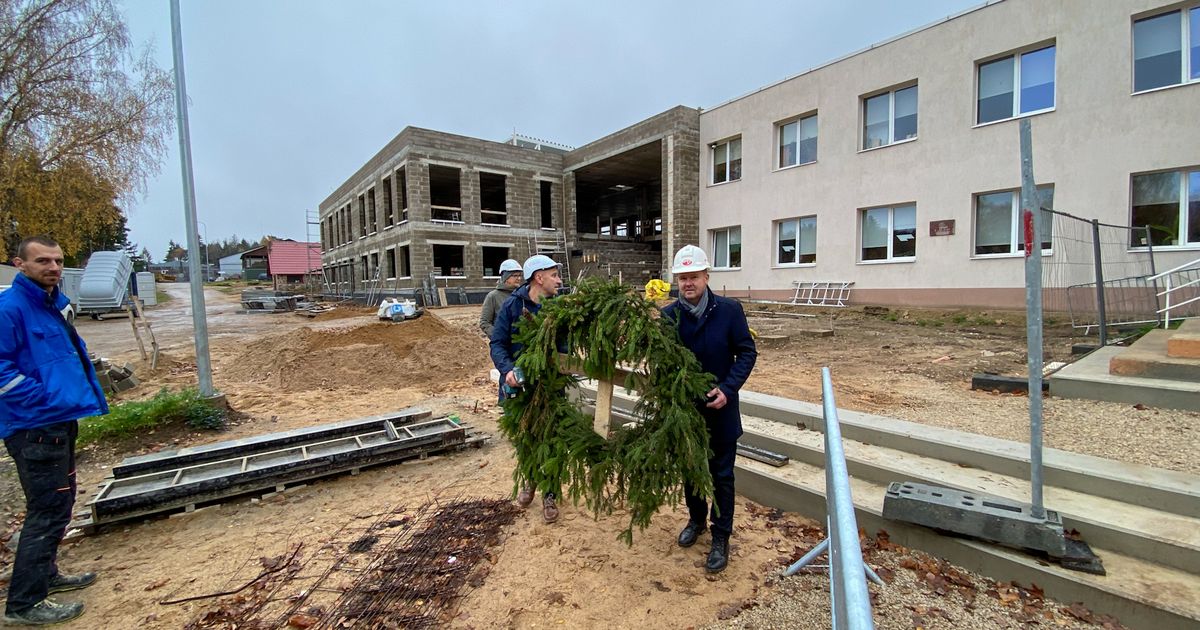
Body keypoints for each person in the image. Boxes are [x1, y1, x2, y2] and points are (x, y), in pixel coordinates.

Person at [1, 236, 107, 625]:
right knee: (46, 511)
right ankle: (24, 604)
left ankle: (46, 576)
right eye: (42, 260)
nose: (53, 268)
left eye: (58, 261)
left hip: (57, 421)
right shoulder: (11, 309)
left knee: (58, 504)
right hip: (35, 426)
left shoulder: (50, 306)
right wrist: (45, 400)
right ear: (20, 264)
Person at [661, 244, 757, 574]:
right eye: (682, 278)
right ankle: (696, 520)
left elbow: (746, 352)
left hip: (721, 410)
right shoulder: (668, 316)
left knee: (721, 476)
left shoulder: (729, 311)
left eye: (694, 277)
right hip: (686, 412)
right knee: (691, 472)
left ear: (706, 276)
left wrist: (728, 389)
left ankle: (721, 536)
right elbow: (665, 364)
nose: (688, 283)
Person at [489, 254, 563, 523]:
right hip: (517, 388)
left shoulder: (559, 309)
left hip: (550, 388)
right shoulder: (511, 307)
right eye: (554, 275)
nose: (559, 280)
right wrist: (507, 369)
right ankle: (530, 479)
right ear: (539, 278)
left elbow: (564, 349)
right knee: (524, 439)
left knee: (552, 441)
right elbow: (497, 343)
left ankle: (551, 493)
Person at [478, 259, 523, 337]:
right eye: (515, 275)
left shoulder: (522, 294)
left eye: (520, 275)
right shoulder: (493, 296)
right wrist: (498, 336)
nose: (519, 278)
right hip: (502, 345)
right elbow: (484, 322)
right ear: (505, 276)